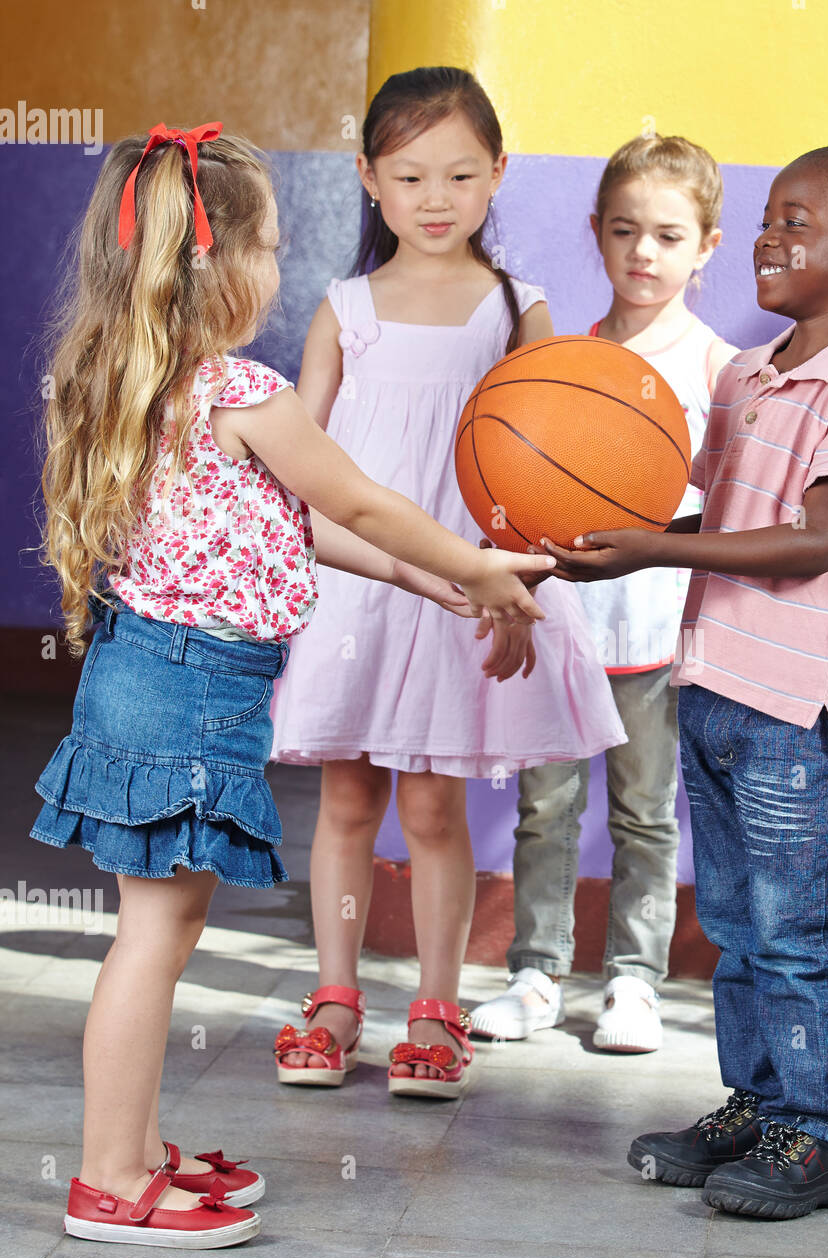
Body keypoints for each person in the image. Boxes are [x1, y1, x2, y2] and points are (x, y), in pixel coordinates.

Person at [29, 121, 554, 1247]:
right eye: (265, 246)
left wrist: (438, 584)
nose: (277, 268)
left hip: (146, 677)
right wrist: (476, 564)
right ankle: (112, 1177)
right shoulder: (244, 394)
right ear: (224, 266)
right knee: (152, 943)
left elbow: (299, 525)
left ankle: (135, 1143)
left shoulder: (130, 382)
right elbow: (356, 498)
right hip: (191, 699)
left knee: (153, 933)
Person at [541, 145, 828, 1218]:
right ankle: (753, 1106)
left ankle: (815, 1135)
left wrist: (649, 552)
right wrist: (619, 539)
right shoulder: (745, 375)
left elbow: (810, 539)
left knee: (793, 928)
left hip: (799, 712)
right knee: (732, 919)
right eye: (766, 217)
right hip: (714, 685)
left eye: (795, 222)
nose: (768, 237)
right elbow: (718, 520)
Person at [268, 68, 627, 1099]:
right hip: (356, 587)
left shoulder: (519, 307)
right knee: (342, 804)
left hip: (466, 591)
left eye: (461, 174)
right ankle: (335, 996)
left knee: (431, 811)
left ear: (497, 176)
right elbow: (301, 457)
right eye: (412, 174)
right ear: (368, 180)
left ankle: (434, 1004)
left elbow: (557, 469)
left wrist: (523, 592)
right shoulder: (344, 308)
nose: (436, 196)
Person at [470, 134, 737, 1053]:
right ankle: (537, 974)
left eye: (668, 235)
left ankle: (633, 982)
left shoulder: (719, 370)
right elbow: (515, 492)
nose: (644, 253)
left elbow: (742, 516)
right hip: (566, 629)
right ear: (596, 233)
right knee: (544, 808)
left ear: (706, 245)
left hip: (662, 637)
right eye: (624, 231)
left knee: (646, 815)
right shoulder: (561, 365)